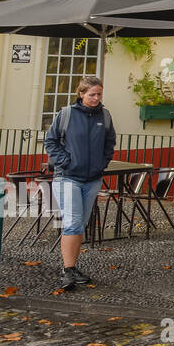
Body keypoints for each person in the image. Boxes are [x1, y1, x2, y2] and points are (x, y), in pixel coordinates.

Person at [44, 75, 115, 291]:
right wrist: (66, 160)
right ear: (81, 94)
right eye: (91, 94)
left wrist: (102, 163)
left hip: (92, 179)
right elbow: (50, 140)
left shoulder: (105, 115)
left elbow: (110, 142)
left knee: (80, 224)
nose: (96, 98)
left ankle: (72, 268)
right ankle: (67, 270)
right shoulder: (66, 114)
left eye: (99, 94)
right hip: (67, 177)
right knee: (73, 223)